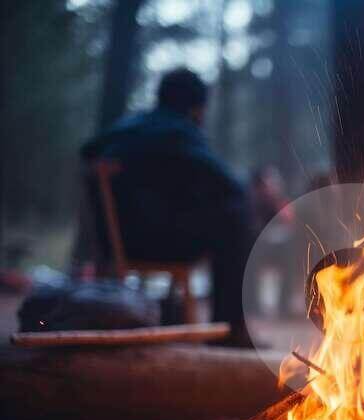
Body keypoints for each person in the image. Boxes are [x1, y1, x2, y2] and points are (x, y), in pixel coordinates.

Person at [80, 68, 255, 346]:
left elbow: (88, 151)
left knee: (225, 212)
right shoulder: (178, 131)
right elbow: (229, 184)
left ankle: (221, 325)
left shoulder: (126, 128)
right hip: (157, 243)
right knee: (236, 213)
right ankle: (229, 328)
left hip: (114, 243)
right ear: (196, 108)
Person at [247, 165, 297, 317]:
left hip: (277, 249)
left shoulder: (279, 203)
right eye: (269, 182)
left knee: (290, 255)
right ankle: (252, 306)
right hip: (255, 250)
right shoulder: (250, 204)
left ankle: (284, 306)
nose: (273, 185)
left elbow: (289, 224)